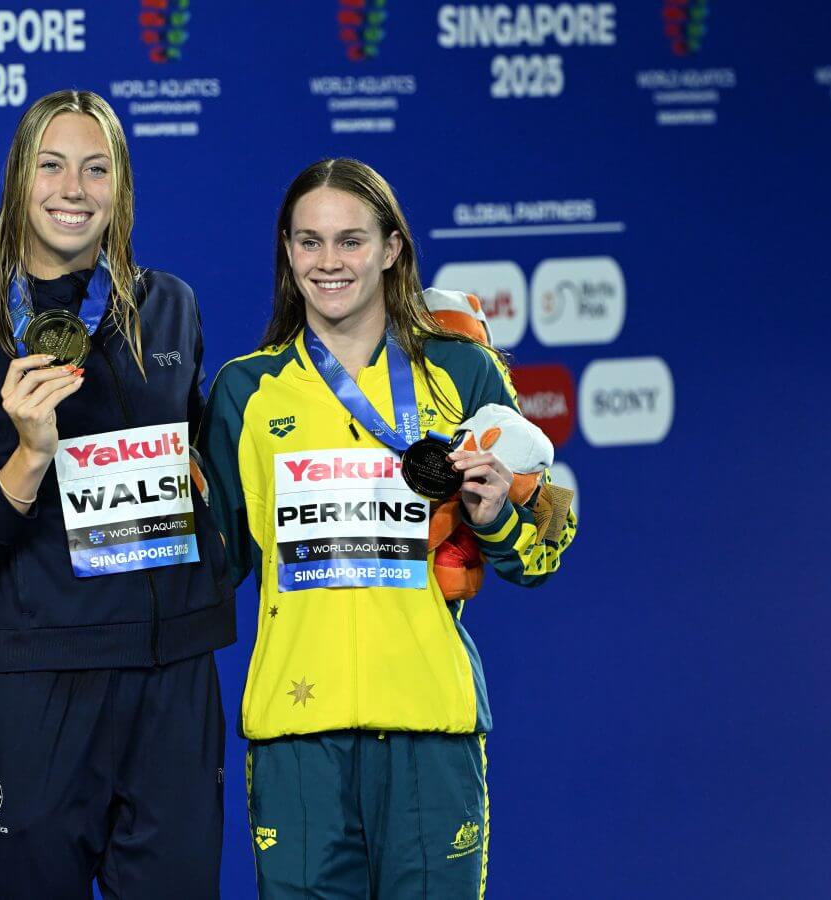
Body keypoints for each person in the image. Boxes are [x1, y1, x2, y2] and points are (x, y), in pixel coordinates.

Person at [198, 158, 578, 899]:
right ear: (286, 250)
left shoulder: (462, 372)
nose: (329, 262)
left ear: (393, 248)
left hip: (430, 726)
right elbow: (213, 566)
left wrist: (497, 517)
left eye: (351, 241)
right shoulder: (246, 390)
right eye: (309, 242)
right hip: (296, 737)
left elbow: (544, 552)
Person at [0, 90, 234, 900]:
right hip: (37, 690)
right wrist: (28, 457)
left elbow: (204, 475)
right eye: (52, 166)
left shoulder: (169, 309)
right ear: (19, 181)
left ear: (120, 189)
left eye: (97, 169)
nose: (74, 189)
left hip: (173, 683)